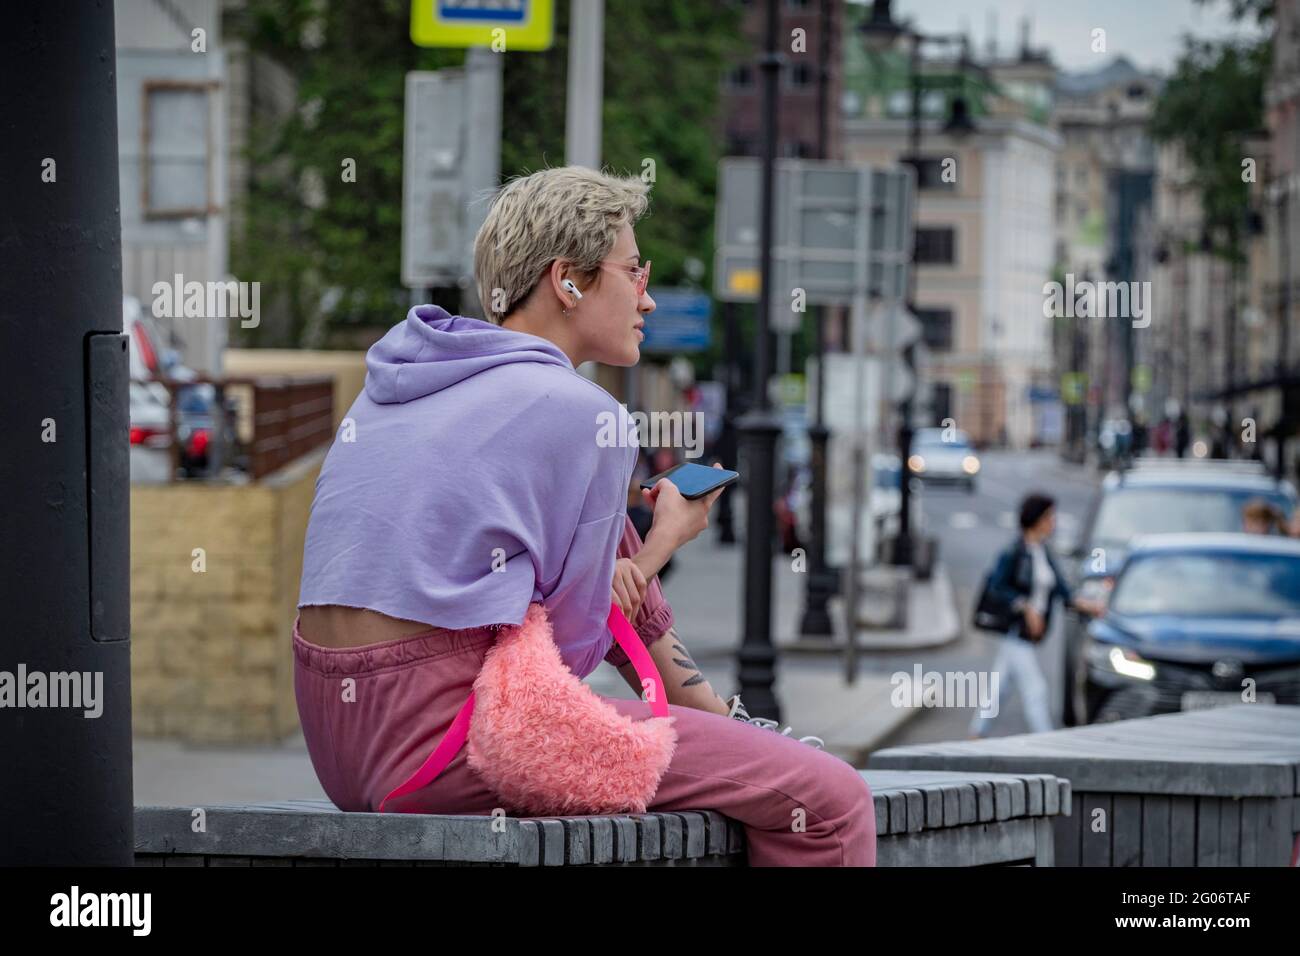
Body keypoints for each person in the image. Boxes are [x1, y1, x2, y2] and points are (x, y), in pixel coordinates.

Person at [291, 166, 875, 866]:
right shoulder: (581, 413)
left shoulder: (403, 386)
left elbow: (604, 602)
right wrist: (663, 543)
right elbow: (564, 666)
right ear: (569, 280)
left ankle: (727, 724)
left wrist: (729, 730)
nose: (649, 299)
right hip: (446, 752)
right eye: (634, 270)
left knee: (618, 563)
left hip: (340, 752)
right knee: (834, 802)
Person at [969, 493, 1104, 737]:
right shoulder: (1013, 552)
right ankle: (1044, 741)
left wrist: (1087, 605)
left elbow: (1061, 590)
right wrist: (1025, 607)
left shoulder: (1043, 551)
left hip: (1027, 634)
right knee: (1036, 689)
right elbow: (996, 588)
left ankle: (977, 733)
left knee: (999, 687)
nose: (1053, 522)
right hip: (1016, 629)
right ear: (1037, 519)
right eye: (1049, 516)